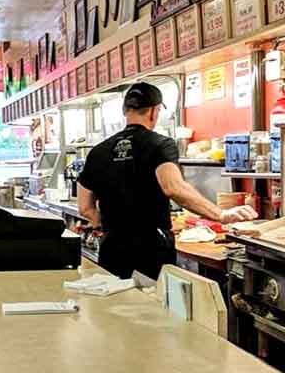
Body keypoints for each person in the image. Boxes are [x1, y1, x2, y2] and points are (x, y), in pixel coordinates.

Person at [77, 82, 257, 280]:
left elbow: (84, 207)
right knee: (152, 306)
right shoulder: (160, 144)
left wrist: (105, 226)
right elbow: (173, 188)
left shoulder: (98, 151)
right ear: (154, 111)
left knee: (117, 304)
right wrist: (221, 214)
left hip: (112, 247)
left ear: (126, 111)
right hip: (150, 247)